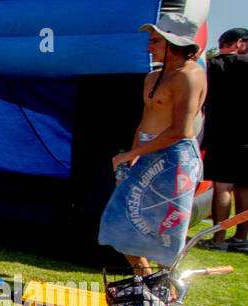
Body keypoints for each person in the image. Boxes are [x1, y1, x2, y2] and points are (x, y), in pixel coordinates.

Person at [98, 13, 207, 276]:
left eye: (156, 41)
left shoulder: (190, 75)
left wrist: (135, 153)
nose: (149, 46)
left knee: (166, 233)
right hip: (148, 151)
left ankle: (164, 295)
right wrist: (133, 157)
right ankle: (148, 283)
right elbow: (145, 122)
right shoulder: (153, 76)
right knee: (117, 221)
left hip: (174, 158)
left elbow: (182, 130)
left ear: (174, 43)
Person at [202, 27, 248, 251]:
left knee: (222, 188)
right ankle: (241, 238)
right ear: (239, 42)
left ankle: (218, 239)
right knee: (243, 188)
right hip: (246, 136)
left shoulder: (211, 66)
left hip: (221, 134)